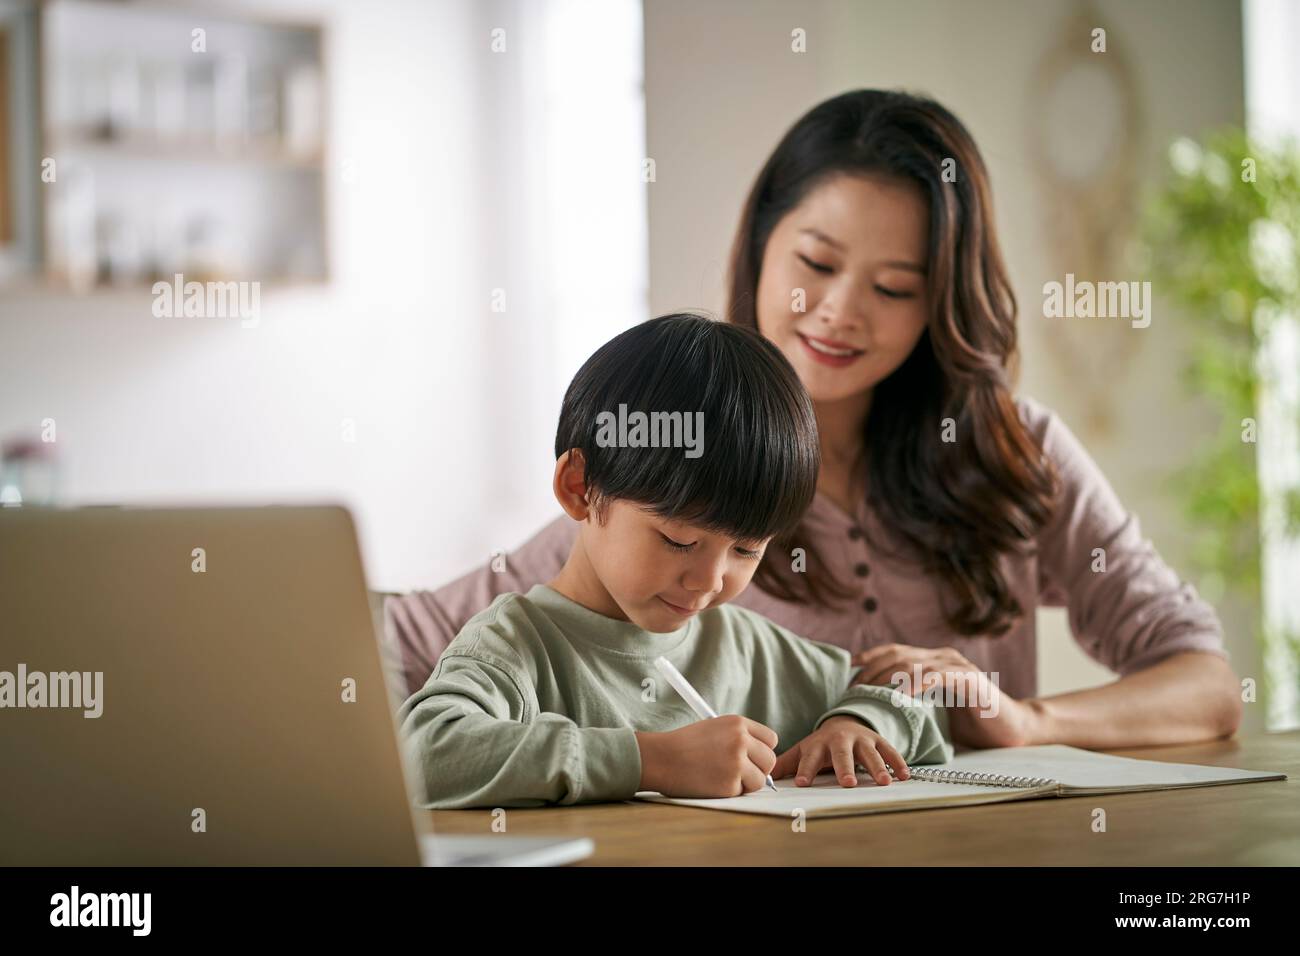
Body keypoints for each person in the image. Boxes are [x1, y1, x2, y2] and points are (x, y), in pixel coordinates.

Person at [389, 89, 1240, 753]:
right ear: (761, 243)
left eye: (895, 288)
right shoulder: (662, 471)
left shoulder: (1016, 454)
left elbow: (1204, 682)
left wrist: (1031, 720)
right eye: (817, 263)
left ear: (939, 299)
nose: (838, 312)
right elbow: (391, 652)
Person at [398, 315, 955, 809]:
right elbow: (423, 754)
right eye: (679, 541)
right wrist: (649, 761)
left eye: (746, 550)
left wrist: (855, 722)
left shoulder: (747, 647)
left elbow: (916, 698)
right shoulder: (518, 645)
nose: (710, 582)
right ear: (579, 488)